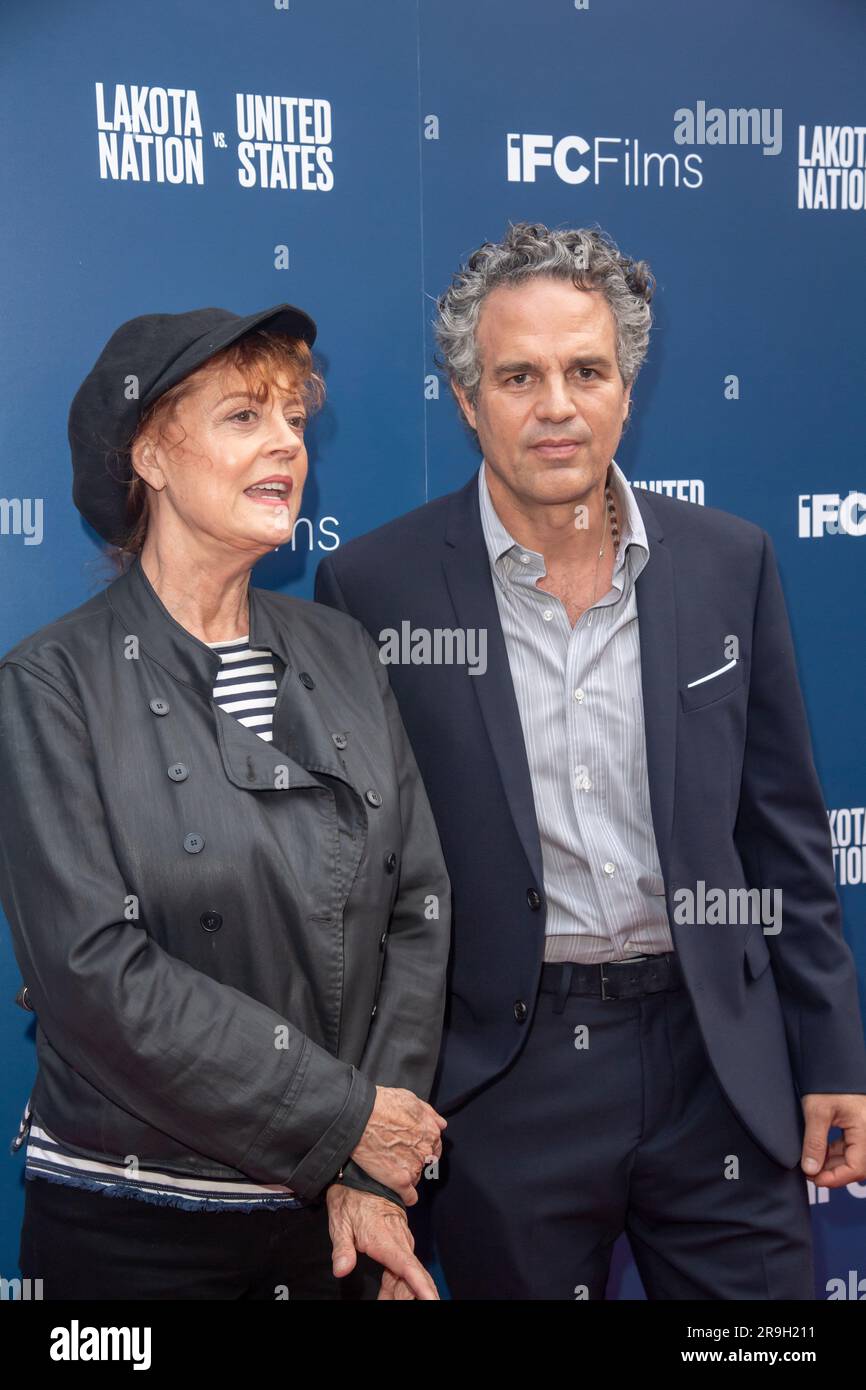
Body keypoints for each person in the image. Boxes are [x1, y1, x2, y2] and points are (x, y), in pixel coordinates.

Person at [315, 223, 866, 1299]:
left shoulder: (728, 563)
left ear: (627, 388)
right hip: (502, 1083)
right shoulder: (373, 589)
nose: (555, 405)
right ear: (467, 400)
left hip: (719, 1061)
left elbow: (785, 842)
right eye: (517, 376)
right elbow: (359, 888)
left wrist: (832, 1052)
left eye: (585, 370)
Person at [0, 302, 450, 1300]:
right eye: (244, 415)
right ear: (148, 456)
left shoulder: (341, 651)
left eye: (294, 415)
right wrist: (347, 1118)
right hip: (135, 1234)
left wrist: (370, 1170)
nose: (287, 442)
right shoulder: (51, 685)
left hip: (337, 1223)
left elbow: (417, 905)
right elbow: (93, 974)